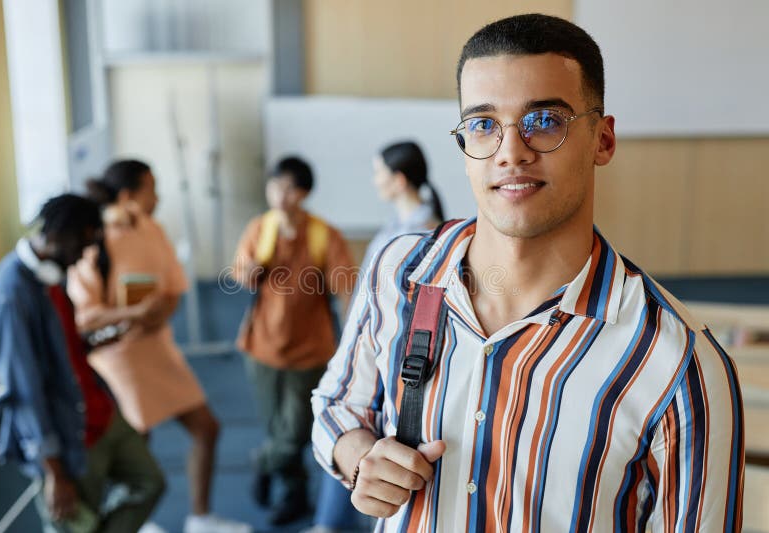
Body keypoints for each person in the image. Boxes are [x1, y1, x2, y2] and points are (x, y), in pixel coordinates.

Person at [312, 14, 744, 532]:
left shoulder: (680, 367)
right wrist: (359, 455)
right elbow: (336, 405)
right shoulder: (399, 270)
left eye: (544, 122)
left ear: (602, 141)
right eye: (483, 124)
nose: (511, 153)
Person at [66, 160, 252, 533]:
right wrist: (134, 312)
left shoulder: (153, 229)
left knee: (207, 427)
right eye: (151, 188)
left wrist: (157, 311)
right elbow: (84, 318)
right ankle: (137, 521)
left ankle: (200, 517)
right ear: (127, 196)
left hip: (156, 346)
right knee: (138, 443)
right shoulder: (94, 242)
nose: (158, 196)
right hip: (118, 357)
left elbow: (172, 287)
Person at [0, 194, 166, 532]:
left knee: (150, 482)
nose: (84, 255)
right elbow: (25, 393)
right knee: (76, 524)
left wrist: (96, 340)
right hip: (66, 439)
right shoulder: (10, 298)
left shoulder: (51, 278)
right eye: (83, 242)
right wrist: (54, 475)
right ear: (60, 234)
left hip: (99, 411)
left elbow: (62, 347)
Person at [304, 141, 445, 533]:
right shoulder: (396, 225)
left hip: (400, 357)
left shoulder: (423, 232)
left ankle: (332, 524)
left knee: (371, 440)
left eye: (379, 172)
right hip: (369, 346)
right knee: (347, 421)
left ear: (398, 180)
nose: (374, 180)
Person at [230, 156, 357, 526]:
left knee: (296, 431)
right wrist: (247, 271)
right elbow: (241, 271)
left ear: (303, 193)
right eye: (275, 186)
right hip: (261, 347)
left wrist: (352, 341)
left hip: (310, 351)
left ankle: (262, 461)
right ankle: (295, 496)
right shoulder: (261, 228)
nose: (280, 195)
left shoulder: (323, 235)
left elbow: (345, 290)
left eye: (288, 187)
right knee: (277, 427)